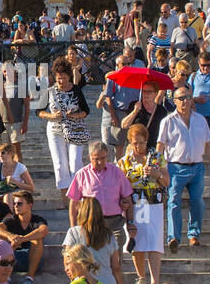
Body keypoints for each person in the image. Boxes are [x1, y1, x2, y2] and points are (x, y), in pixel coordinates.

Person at [158, 88, 210, 251]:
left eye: (188, 97)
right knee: (173, 202)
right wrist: (160, 166)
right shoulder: (168, 121)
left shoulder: (200, 120)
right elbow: (160, 145)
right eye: (181, 98)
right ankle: (174, 237)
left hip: (197, 166)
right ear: (175, 101)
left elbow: (208, 143)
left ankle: (194, 234)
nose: (185, 101)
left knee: (198, 202)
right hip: (175, 166)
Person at [120, 123, 169, 284]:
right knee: (136, 240)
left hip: (153, 202)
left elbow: (167, 181)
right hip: (134, 204)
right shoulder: (124, 161)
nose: (138, 146)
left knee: (154, 241)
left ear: (147, 141)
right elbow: (118, 184)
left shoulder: (156, 157)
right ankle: (141, 276)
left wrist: (157, 174)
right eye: (135, 143)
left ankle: (155, 280)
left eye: (141, 142)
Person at [39, 57, 90, 201]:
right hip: (55, 130)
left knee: (75, 162)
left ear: (69, 76)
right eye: (59, 78)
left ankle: (77, 196)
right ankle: (65, 198)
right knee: (60, 163)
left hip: (75, 129)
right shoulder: (49, 91)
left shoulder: (76, 90)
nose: (62, 81)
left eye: (65, 78)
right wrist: (51, 115)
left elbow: (86, 110)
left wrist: (75, 115)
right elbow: (39, 111)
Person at [67, 141, 133, 236]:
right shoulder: (81, 174)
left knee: (117, 248)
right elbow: (74, 203)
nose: (100, 162)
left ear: (107, 156)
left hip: (114, 223)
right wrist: (73, 228)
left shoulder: (117, 172)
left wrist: (130, 223)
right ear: (89, 157)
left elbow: (128, 198)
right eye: (96, 159)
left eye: (103, 158)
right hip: (90, 223)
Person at [0, 190, 48, 284]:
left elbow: (43, 231)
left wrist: (23, 239)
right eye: (14, 203)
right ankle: (5, 275)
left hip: (32, 259)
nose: (16, 206)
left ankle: (29, 278)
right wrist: (10, 236)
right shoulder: (12, 220)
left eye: (19, 203)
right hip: (12, 259)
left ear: (29, 205)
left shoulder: (37, 220)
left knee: (37, 240)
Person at [97, 56, 141, 154]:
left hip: (134, 112)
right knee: (119, 144)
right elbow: (108, 97)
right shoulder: (113, 78)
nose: (127, 66)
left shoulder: (135, 77)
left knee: (134, 142)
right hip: (119, 112)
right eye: (124, 64)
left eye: (128, 64)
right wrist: (113, 116)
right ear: (117, 65)